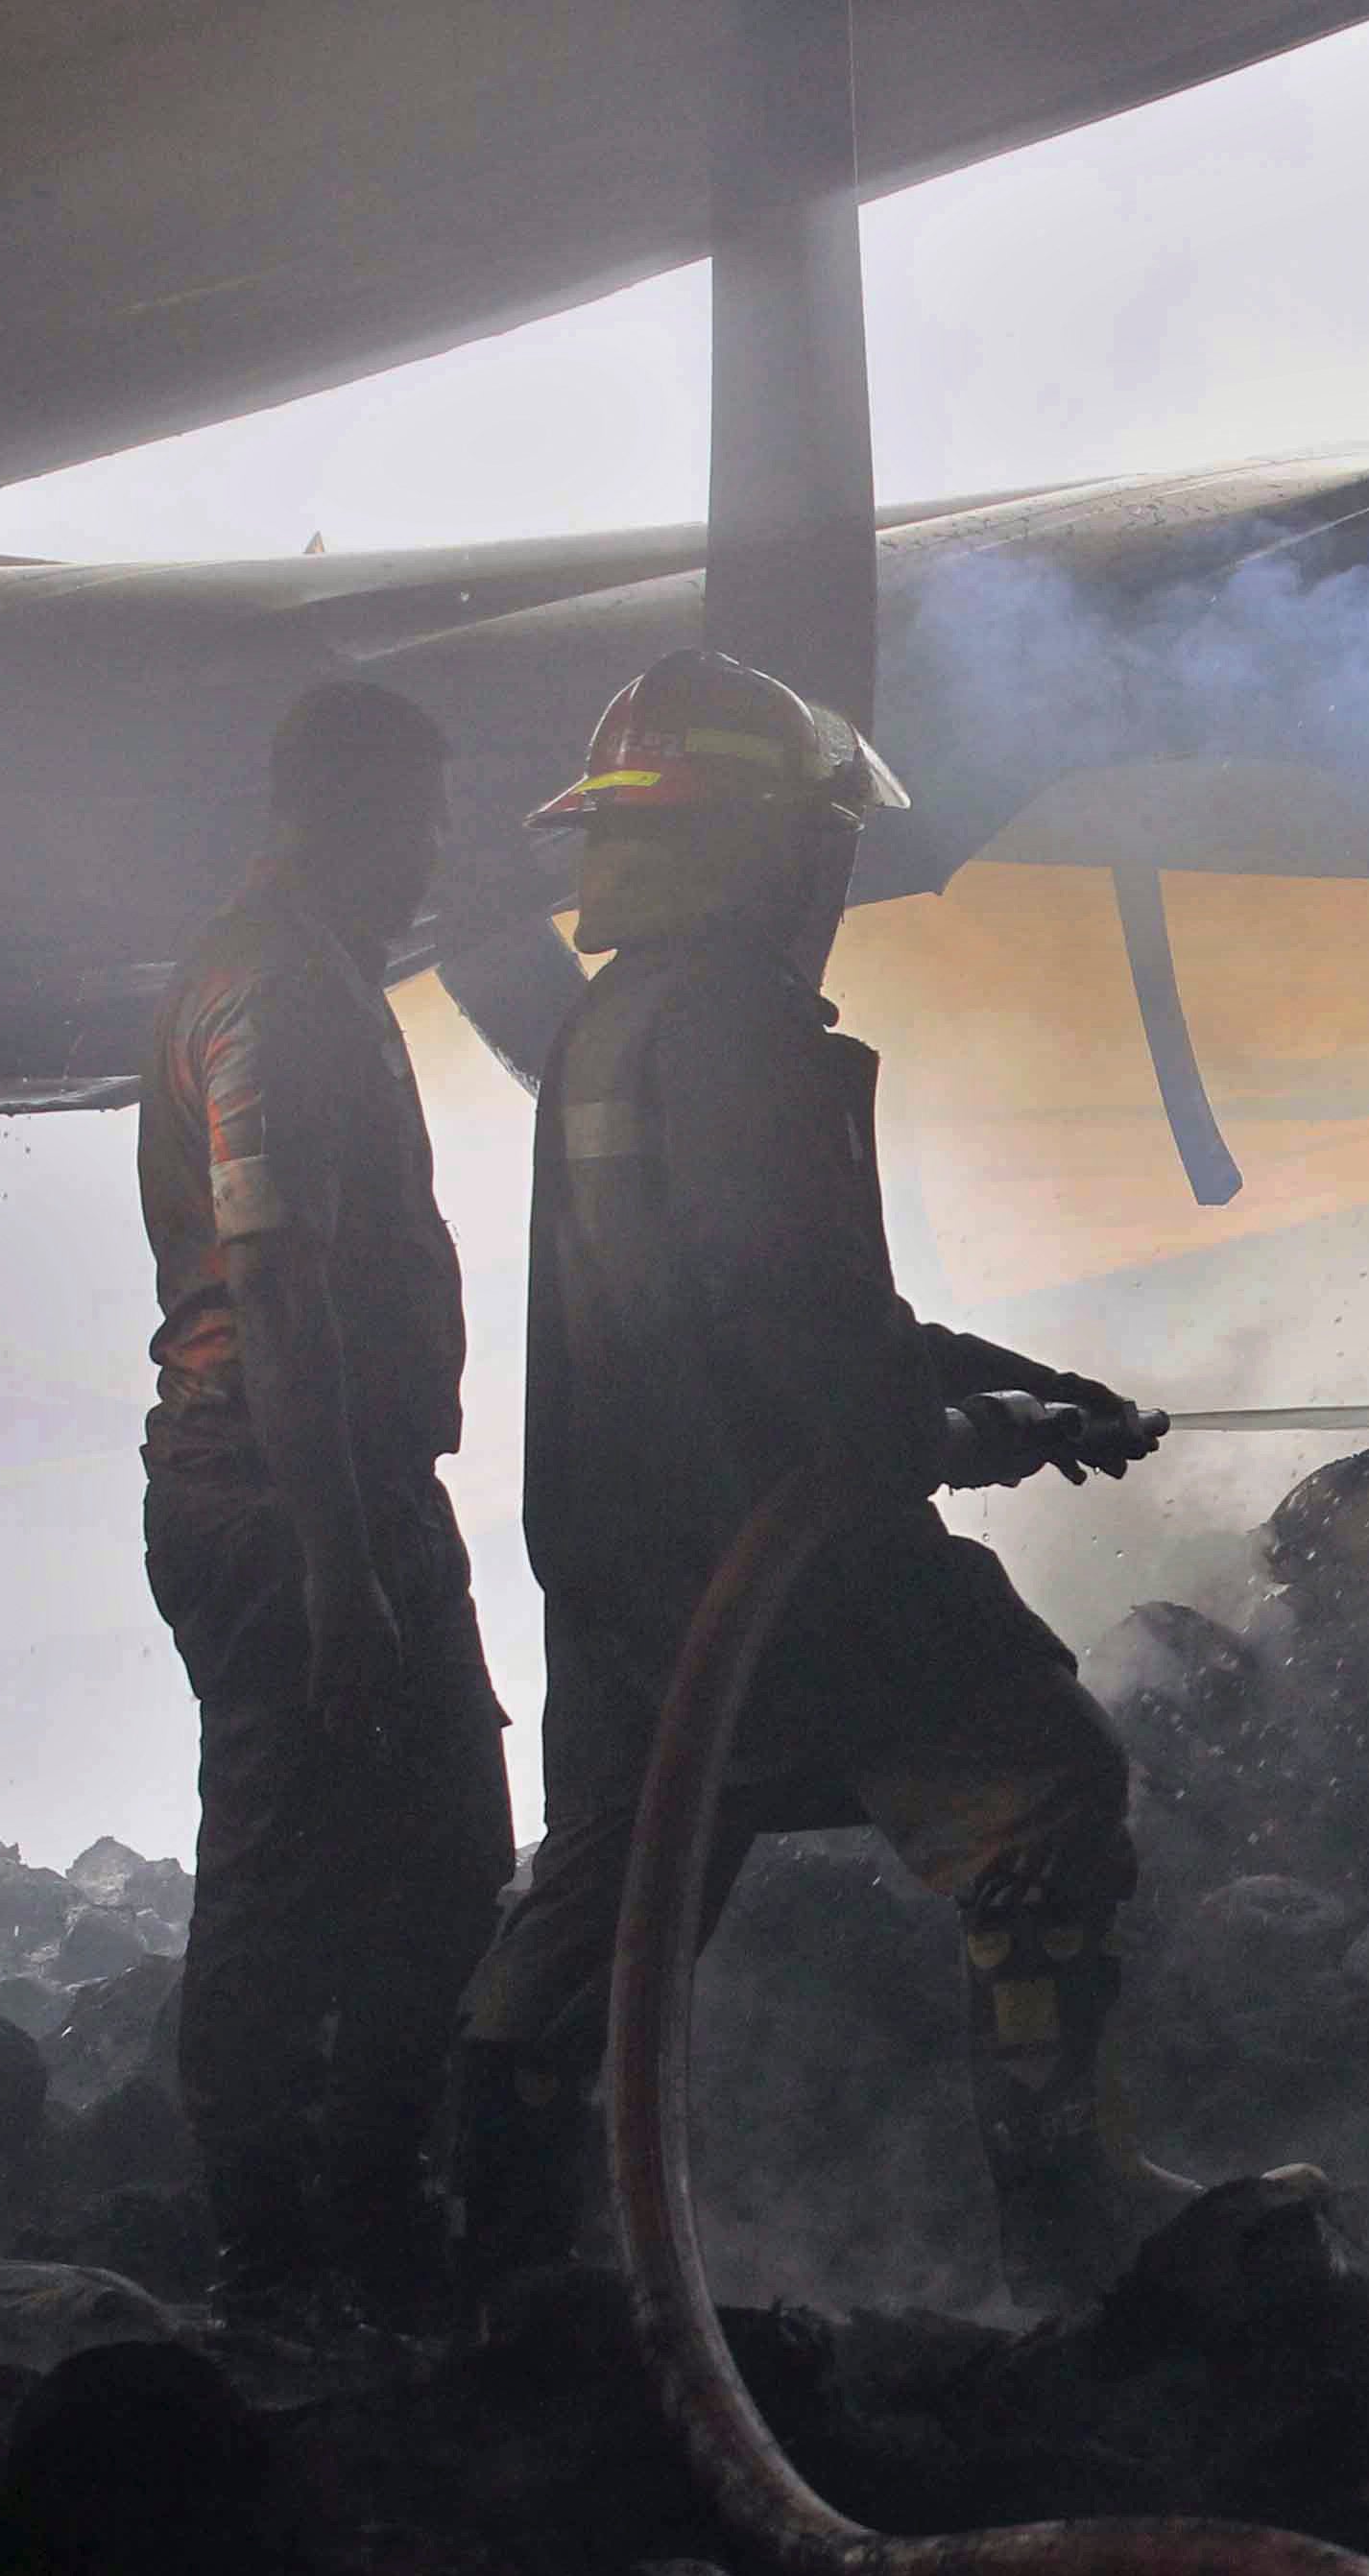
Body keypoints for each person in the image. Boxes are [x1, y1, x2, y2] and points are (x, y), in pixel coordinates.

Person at [444, 648, 1182, 2307]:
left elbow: (752, 1293)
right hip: (770, 1554)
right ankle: (1067, 2227)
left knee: (609, 1892)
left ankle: (499, 2269)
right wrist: (967, 1437)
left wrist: (979, 1372)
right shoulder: (744, 1029)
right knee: (1044, 1778)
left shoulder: (611, 1024)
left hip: (628, 1563)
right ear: (782, 849)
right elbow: (792, 1332)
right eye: (826, 845)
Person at [137, 676, 515, 2329]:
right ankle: (285, 2260)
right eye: (416, 821)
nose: (429, 857)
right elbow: (277, 1291)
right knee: (298, 1871)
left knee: (425, 1856)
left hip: (327, 1492)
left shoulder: (305, 978)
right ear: (339, 810)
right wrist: (340, 1571)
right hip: (285, 1498)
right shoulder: (276, 997)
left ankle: (356, 2224)